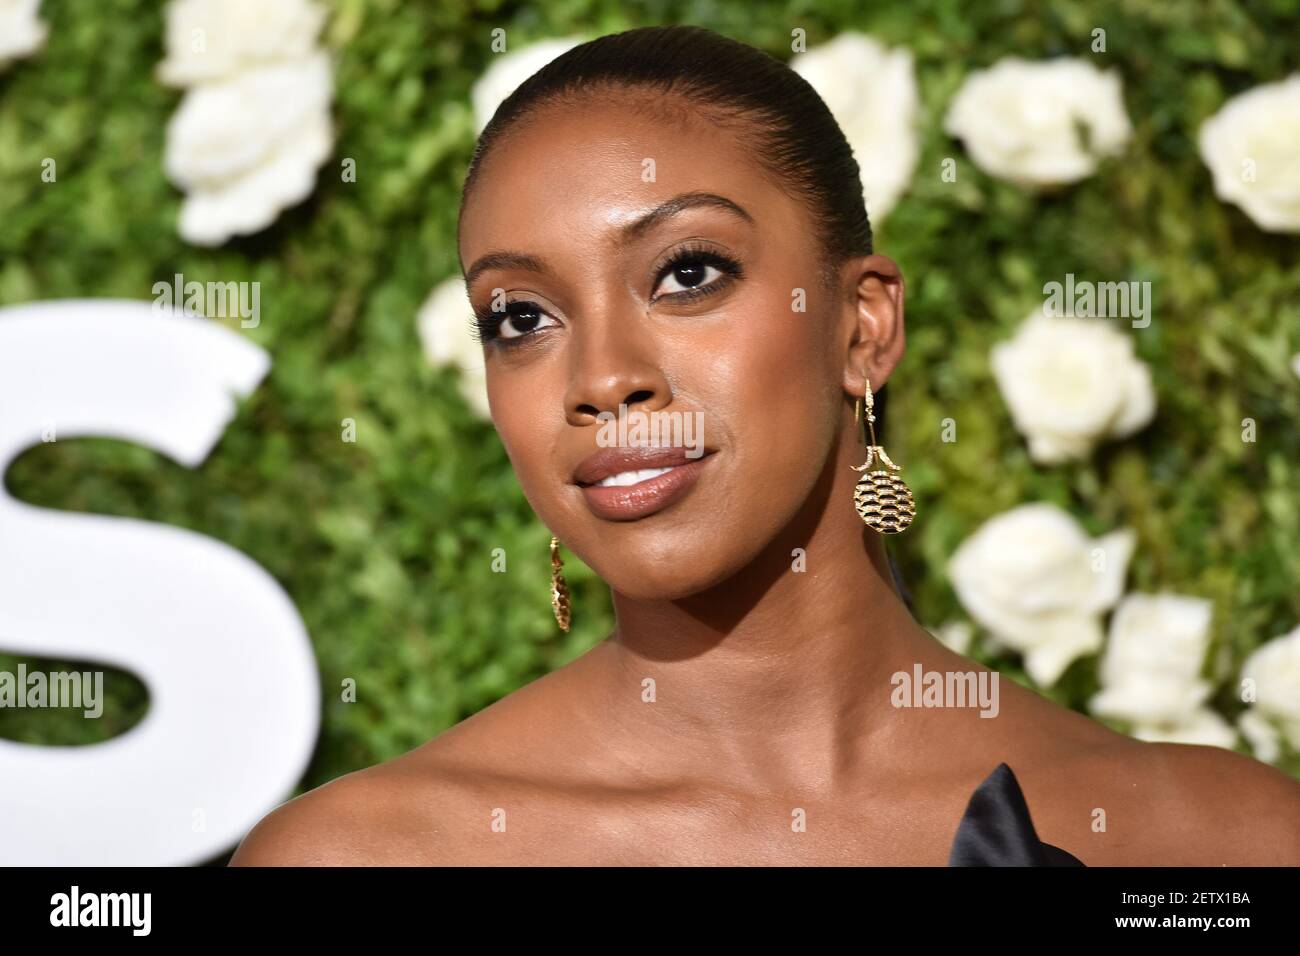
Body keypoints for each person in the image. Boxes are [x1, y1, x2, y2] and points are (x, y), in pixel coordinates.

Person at [230, 25, 1300, 866]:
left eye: (687, 271)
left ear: (861, 325)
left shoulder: (1215, 841)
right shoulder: (361, 859)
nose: (602, 377)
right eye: (520, 316)